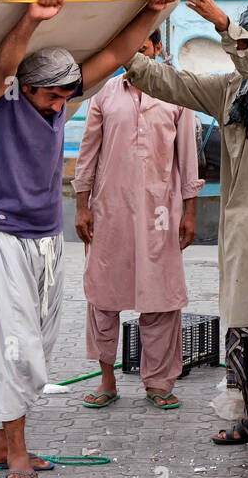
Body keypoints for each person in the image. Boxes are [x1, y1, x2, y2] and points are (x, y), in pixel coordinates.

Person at [0, 0, 179, 478]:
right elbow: (5, 66)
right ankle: (17, 453)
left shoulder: (61, 104)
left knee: (39, 345)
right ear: (25, 88)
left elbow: (116, 53)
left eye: (64, 98)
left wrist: (154, 9)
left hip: (46, 242)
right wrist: (31, 20)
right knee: (15, 348)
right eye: (50, 96)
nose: (58, 108)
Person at [124, 0, 248, 455]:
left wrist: (223, 25)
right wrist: (124, 41)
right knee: (244, 316)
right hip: (242, 227)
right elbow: (169, 83)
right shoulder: (228, 90)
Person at [74, 27, 203, 411]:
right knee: (103, 297)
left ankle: (158, 382)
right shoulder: (104, 93)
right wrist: (82, 205)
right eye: (128, 50)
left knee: (161, 299)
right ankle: (106, 379)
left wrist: (190, 213)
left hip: (161, 214)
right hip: (109, 212)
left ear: (157, 47)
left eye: (142, 48)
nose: (135, 56)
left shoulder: (177, 94)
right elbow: (88, 155)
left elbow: (188, 160)